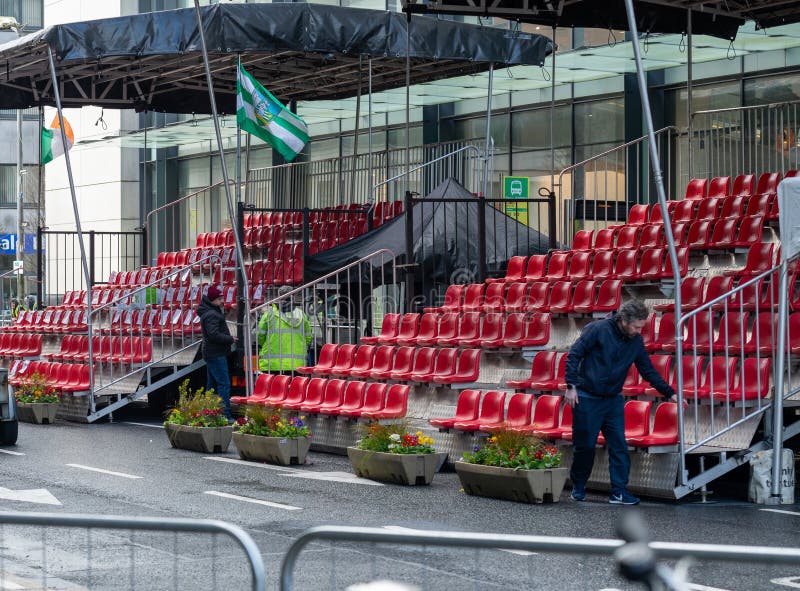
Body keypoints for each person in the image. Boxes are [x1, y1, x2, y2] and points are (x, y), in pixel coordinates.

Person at [564, 299, 678, 505]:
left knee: (619, 446)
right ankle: (578, 486)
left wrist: (670, 393)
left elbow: (648, 370)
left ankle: (619, 491)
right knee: (585, 447)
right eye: (636, 327)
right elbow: (574, 355)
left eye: (641, 327)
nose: (638, 331)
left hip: (613, 399)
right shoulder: (597, 329)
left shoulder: (635, 341)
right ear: (624, 320)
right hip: (587, 396)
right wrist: (571, 386)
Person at [197, 285, 235, 421]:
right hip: (216, 353)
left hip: (212, 352)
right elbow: (213, 334)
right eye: (219, 299)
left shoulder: (210, 311)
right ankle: (225, 414)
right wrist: (230, 339)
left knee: (212, 385)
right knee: (223, 384)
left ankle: (209, 413)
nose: (222, 301)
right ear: (213, 300)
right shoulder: (212, 314)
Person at [257, 285, 312, 373]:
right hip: (296, 364)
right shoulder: (302, 315)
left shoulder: (269, 314)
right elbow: (308, 338)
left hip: (272, 364)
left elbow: (259, 337)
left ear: (279, 297)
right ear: (293, 297)